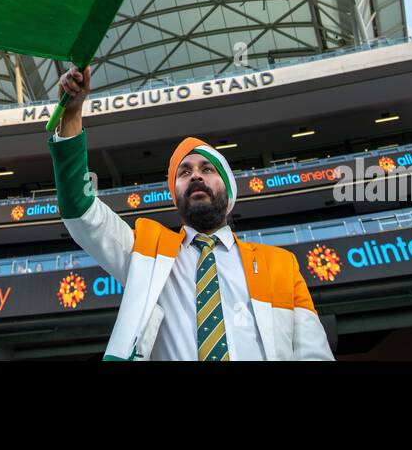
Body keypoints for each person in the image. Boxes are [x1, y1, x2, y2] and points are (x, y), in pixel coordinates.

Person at [47, 66, 333, 361]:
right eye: (185, 172)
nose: (196, 176)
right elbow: (81, 212)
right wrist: (72, 114)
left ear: (229, 190)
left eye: (207, 169)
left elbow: (314, 354)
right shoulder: (147, 251)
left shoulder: (281, 265)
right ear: (176, 196)